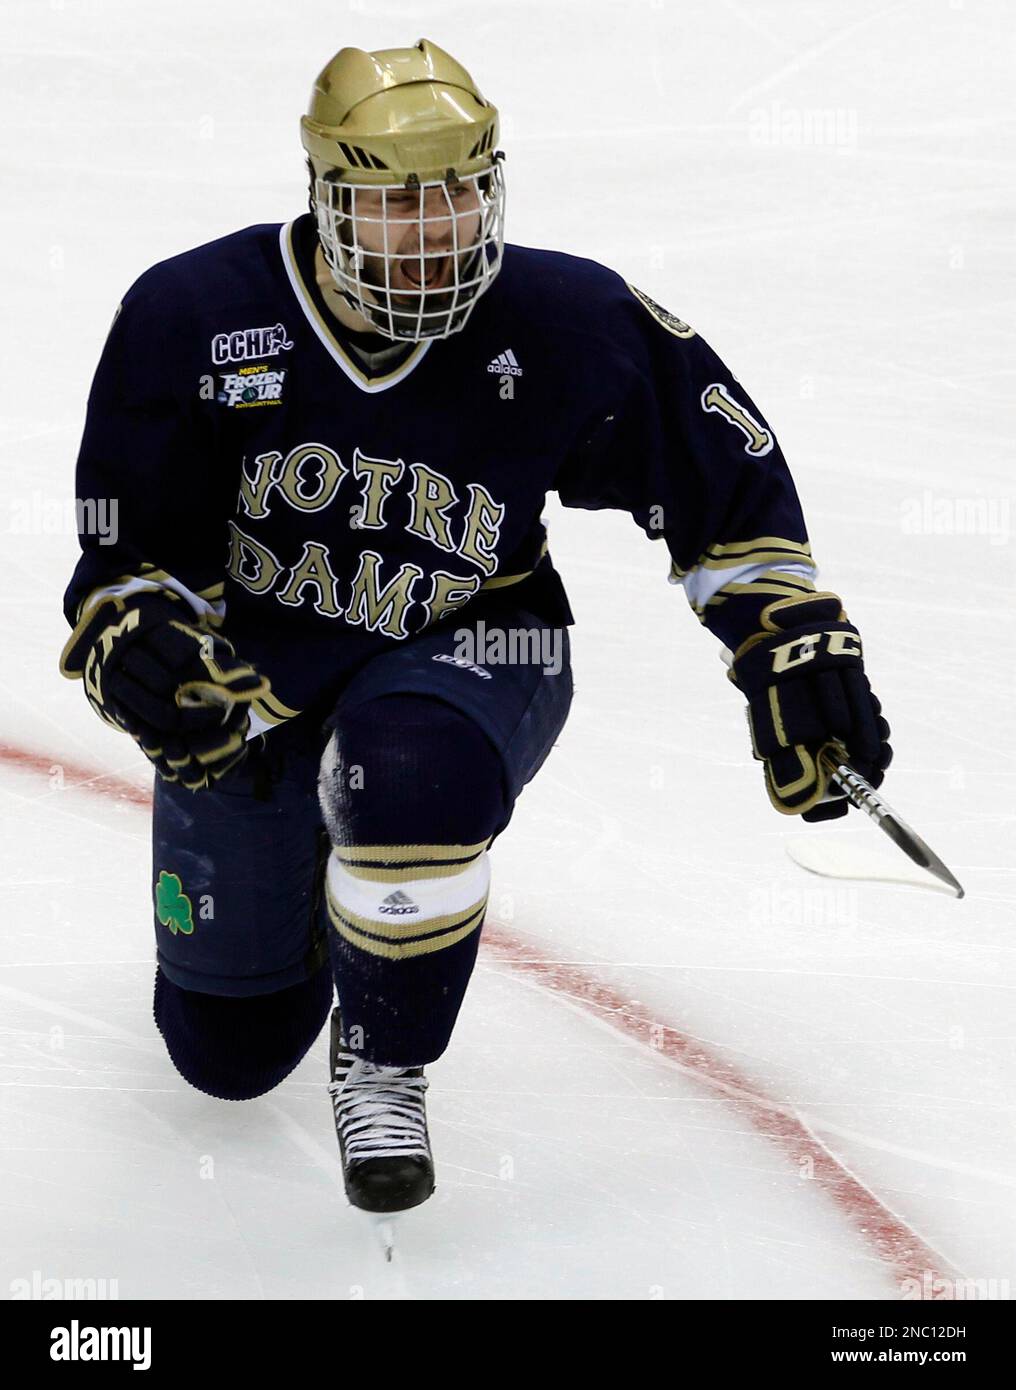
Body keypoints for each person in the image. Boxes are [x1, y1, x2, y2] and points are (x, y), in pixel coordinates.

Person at [58, 38, 891, 1215]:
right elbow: (126, 547)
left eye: (457, 189)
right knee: (227, 1056)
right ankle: (303, 904)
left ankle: (385, 1058)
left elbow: (718, 481)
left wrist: (792, 646)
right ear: (324, 195)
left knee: (407, 780)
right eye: (394, 199)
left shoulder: (561, 318)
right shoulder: (191, 313)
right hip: (261, 679)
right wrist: (141, 645)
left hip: (472, 640)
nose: (434, 225)